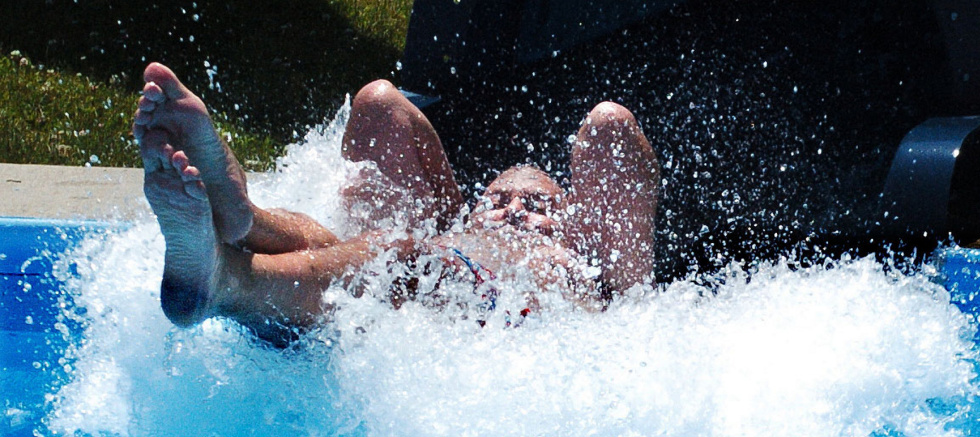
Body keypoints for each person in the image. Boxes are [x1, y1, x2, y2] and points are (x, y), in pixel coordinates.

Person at [133, 63, 661, 341]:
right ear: (470, 211)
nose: (515, 209)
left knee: (401, 259)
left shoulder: (599, 275)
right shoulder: (452, 236)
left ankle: (224, 280)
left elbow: (614, 130)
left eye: (538, 206)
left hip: (488, 305)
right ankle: (244, 220)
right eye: (497, 201)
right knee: (377, 110)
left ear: (576, 227)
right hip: (419, 283)